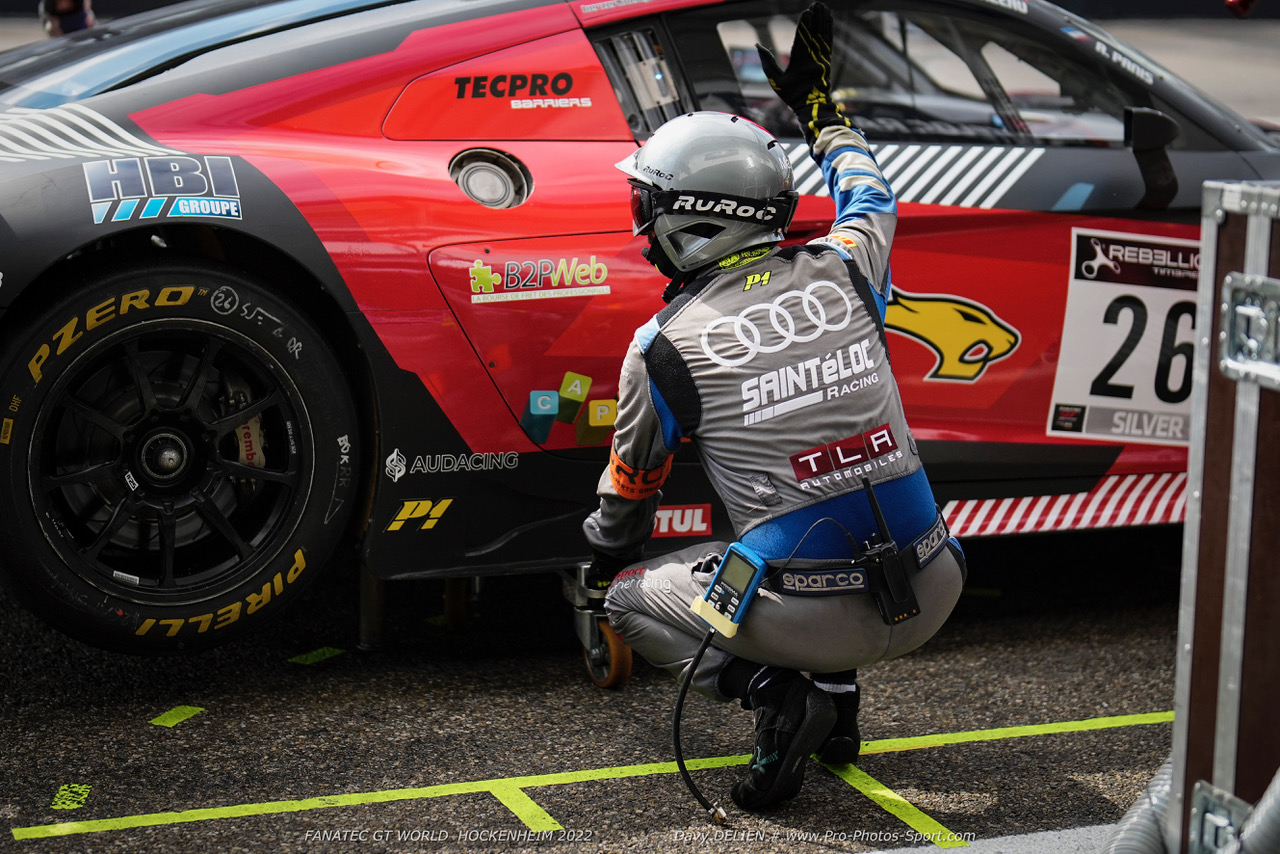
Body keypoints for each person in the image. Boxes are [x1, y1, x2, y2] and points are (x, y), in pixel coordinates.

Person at [582, 2, 966, 811]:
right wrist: (818, 110)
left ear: (694, 218)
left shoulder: (662, 346)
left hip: (808, 616)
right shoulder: (849, 265)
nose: (641, 224)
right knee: (829, 511)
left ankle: (778, 694)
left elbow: (631, 490)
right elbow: (870, 189)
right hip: (937, 583)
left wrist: (604, 563)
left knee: (634, 597)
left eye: (648, 204)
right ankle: (838, 710)